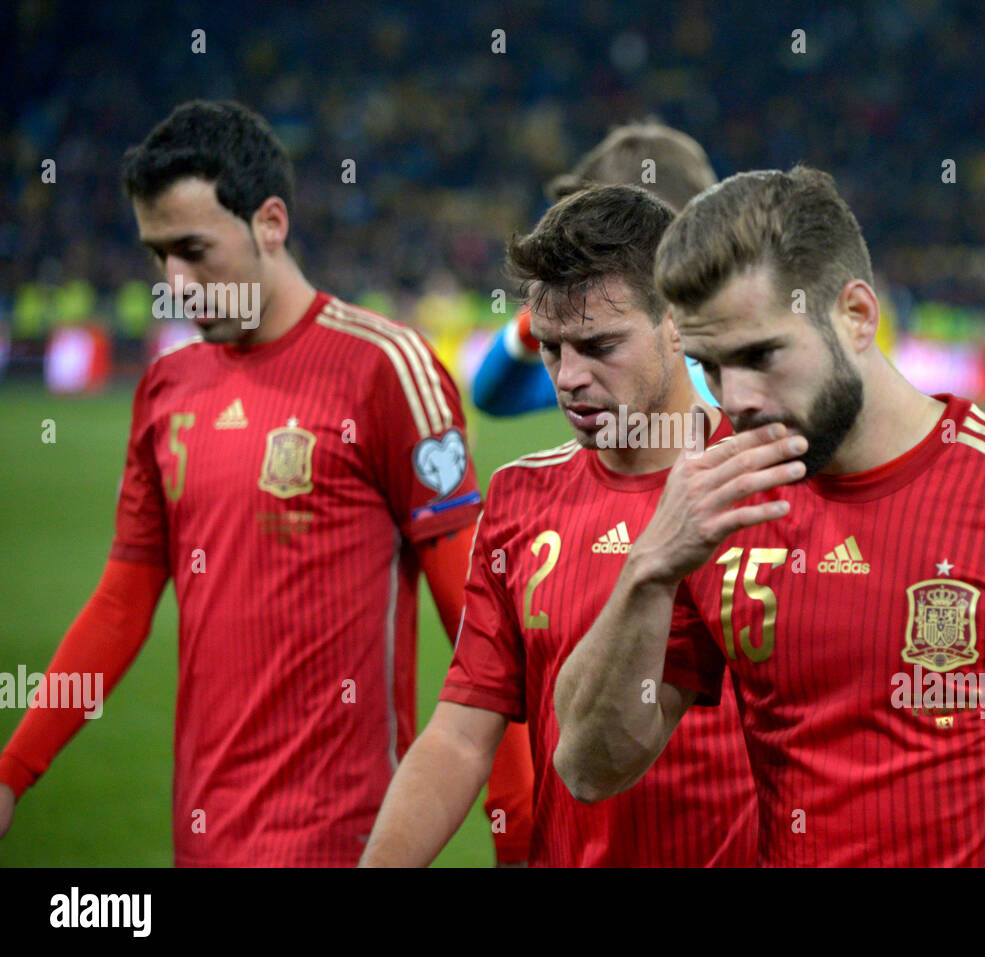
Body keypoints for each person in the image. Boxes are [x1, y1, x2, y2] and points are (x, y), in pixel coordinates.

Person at [552, 167, 985, 866]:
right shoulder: (720, 502)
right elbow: (588, 768)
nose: (739, 397)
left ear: (855, 315)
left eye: (762, 354)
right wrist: (647, 570)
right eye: (711, 367)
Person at [0, 100, 532, 866]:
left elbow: (483, 629)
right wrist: (14, 772)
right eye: (158, 257)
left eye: (194, 249)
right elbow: (121, 604)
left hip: (351, 842)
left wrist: (518, 825)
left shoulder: (387, 369)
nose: (175, 283)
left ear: (271, 222)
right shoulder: (166, 388)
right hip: (204, 842)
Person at [360, 185, 756, 866]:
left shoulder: (768, 488)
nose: (569, 378)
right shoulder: (519, 499)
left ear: (678, 323)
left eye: (600, 345)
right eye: (551, 348)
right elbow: (460, 735)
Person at [471, 121, 718, 416]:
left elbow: (493, 398)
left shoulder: (718, 377)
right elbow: (493, 398)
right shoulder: (611, 348)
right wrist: (536, 318)